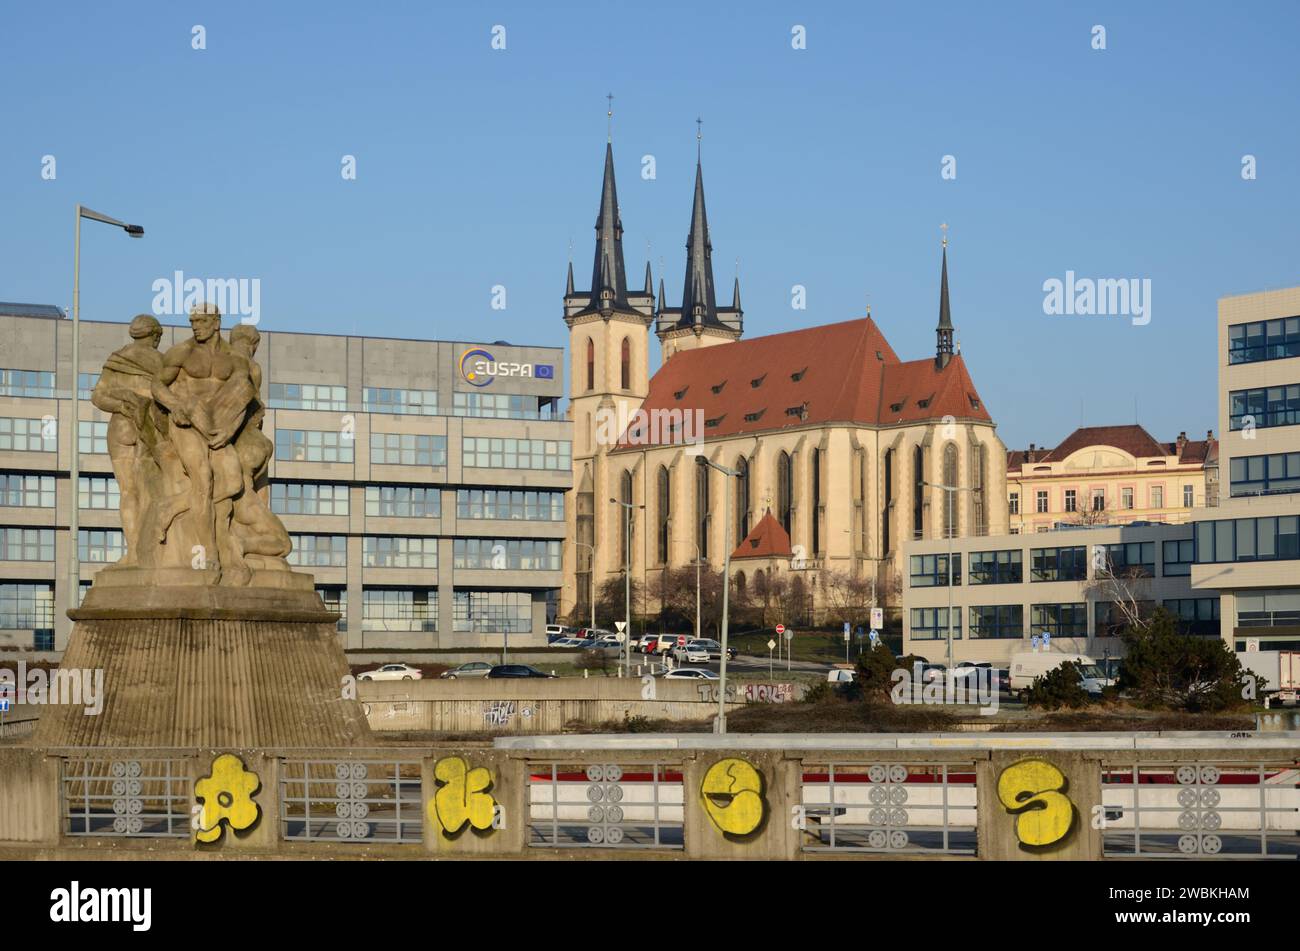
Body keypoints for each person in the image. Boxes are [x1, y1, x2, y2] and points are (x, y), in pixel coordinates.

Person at [151, 304, 256, 583]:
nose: (196, 326)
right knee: (203, 479)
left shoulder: (234, 358)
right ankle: (209, 553)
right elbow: (157, 385)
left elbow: (243, 396)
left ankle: (173, 507)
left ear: (217, 322)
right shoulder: (182, 351)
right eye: (193, 321)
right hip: (186, 423)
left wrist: (230, 430)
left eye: (202, 320)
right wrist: (175, 406)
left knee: (234, 482)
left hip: (218, 427)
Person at [90, 314, 164, 565]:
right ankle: (148, 550)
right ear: (154, 336)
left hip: (120, 427)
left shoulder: (116, 359)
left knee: (127, 491)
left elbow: (98, 397)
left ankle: (133, 552)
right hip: (150, 427)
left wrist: (122, 405)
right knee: (150, 491)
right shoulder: (162, 362)